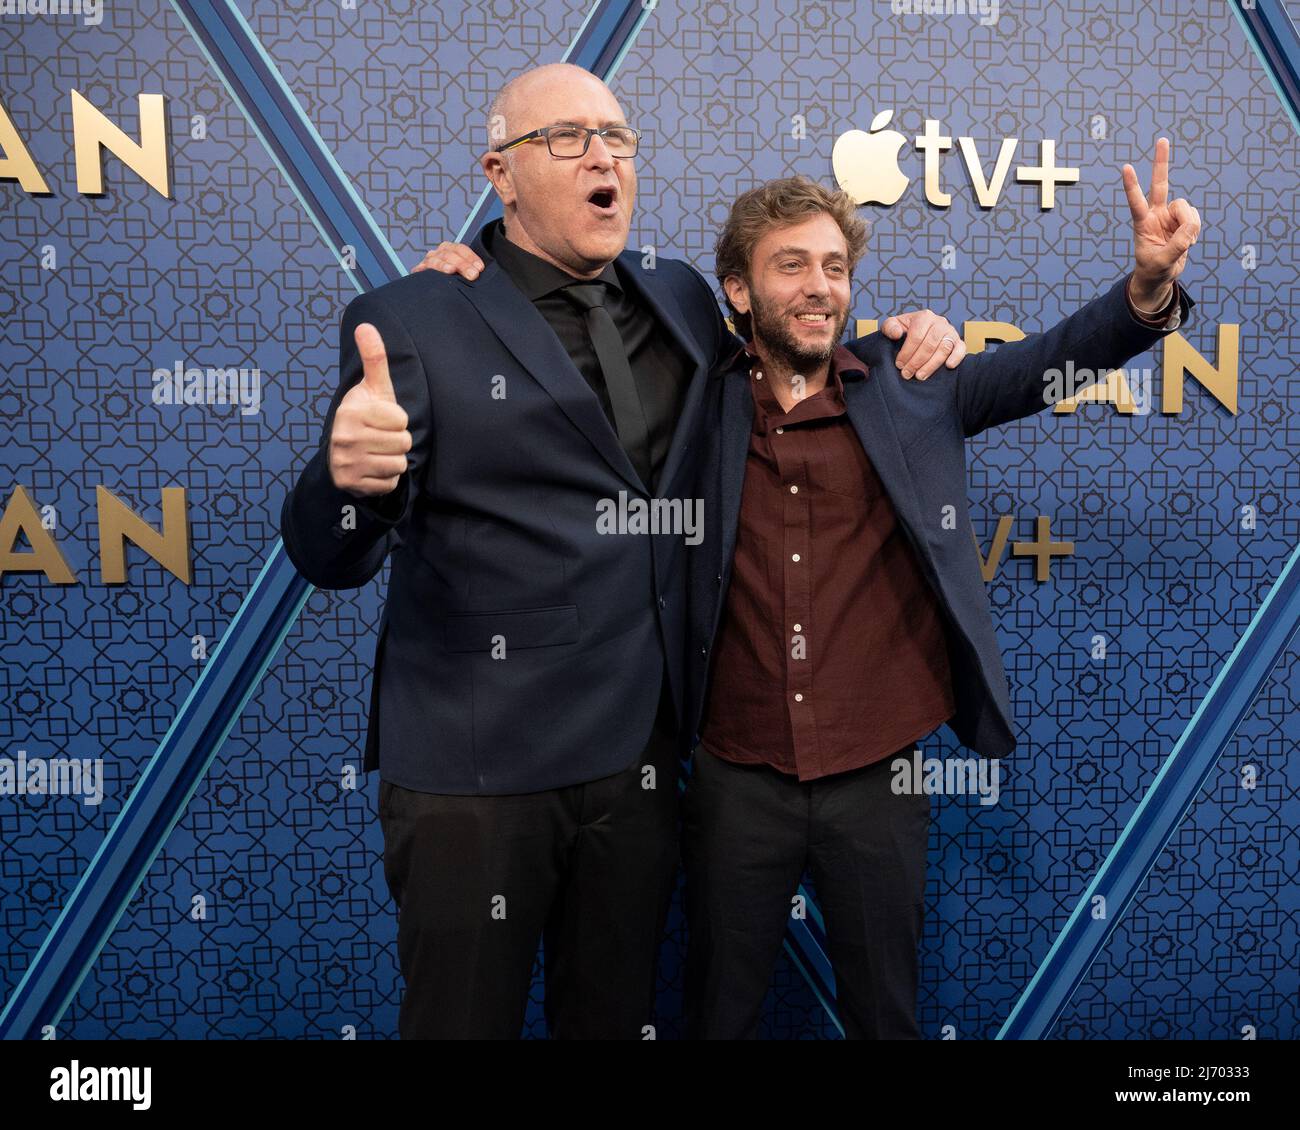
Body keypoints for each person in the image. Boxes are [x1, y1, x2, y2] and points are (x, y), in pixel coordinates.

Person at [281, 61, 959, 1040]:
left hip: (637, 770)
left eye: (616, 136)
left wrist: (912, 331)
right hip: (476, 776)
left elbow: (794, 341)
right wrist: (347, 482)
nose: (602, 155)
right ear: (500, 173)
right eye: (566, 138)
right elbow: (331, 558)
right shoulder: (415, 319)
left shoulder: (682, 298)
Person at [679, 150, 1197, 1038]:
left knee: (888, 1018)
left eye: (835, 268)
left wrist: (1145, 290)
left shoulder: (909, 385)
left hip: (879, 772)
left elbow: (1052, 364)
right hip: (736, 774)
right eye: (791, 265)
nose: (819, 287)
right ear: (737, 289)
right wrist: (469, 274)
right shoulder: (689, 404)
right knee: (714, 1016)